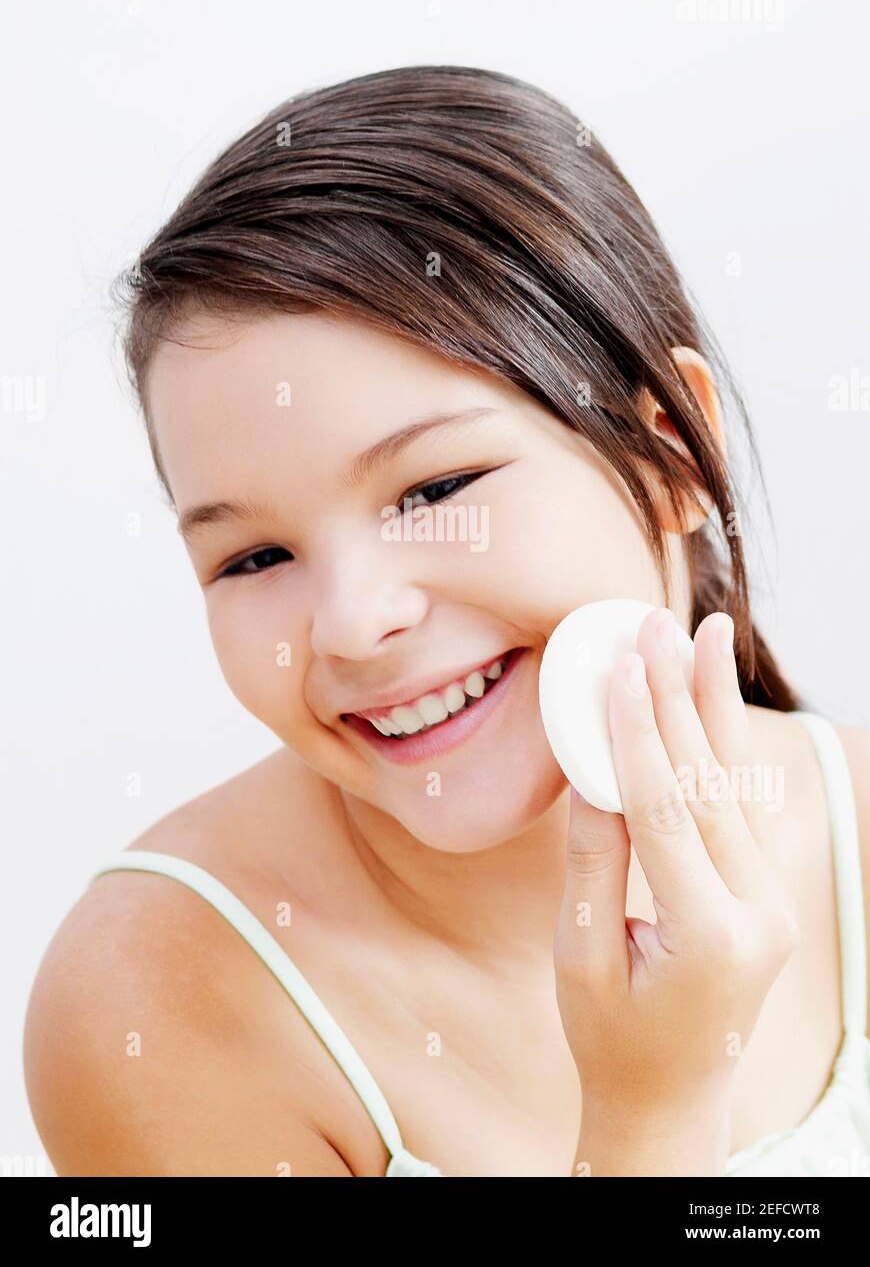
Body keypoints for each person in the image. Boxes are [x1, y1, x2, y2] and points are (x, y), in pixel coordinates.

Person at [24, 66, 870, 1176]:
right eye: (255, 555)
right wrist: (650, 1113)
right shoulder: (158, 994)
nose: (350, 626)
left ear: (670, 452)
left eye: (433, 491)